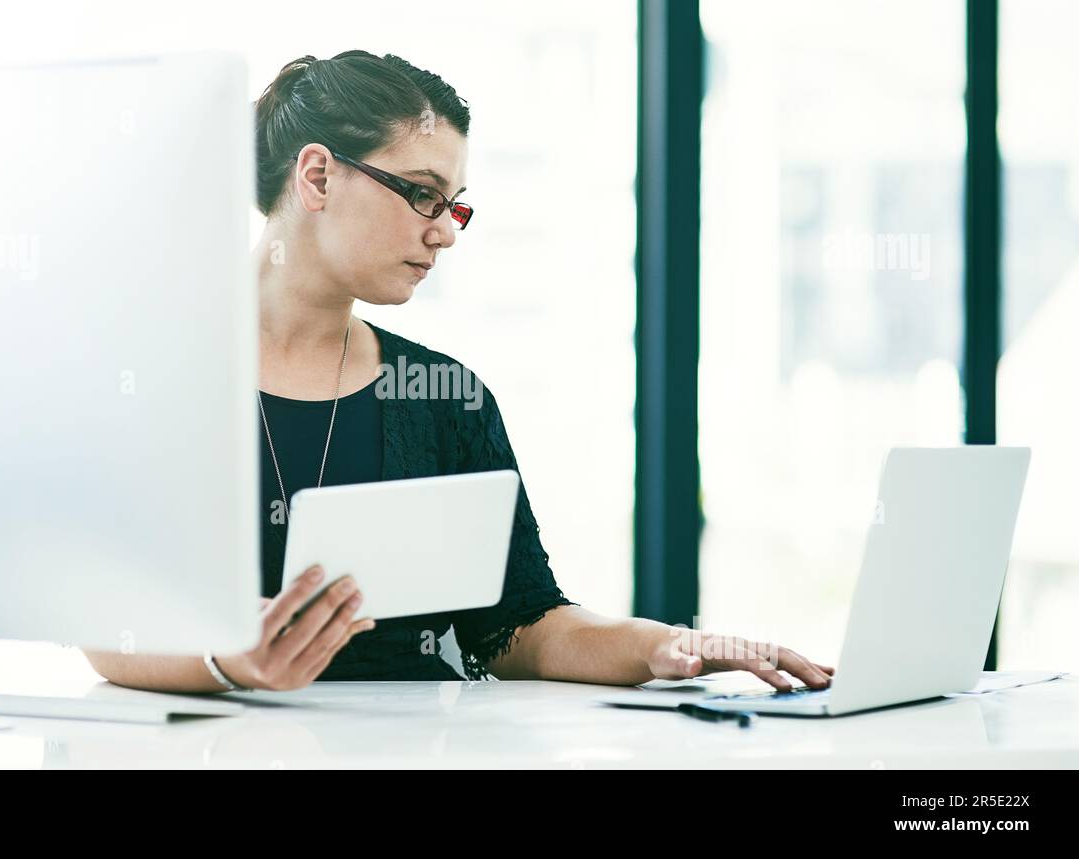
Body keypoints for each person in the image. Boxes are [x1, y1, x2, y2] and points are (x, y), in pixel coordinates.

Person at [84, 50, 834, 694]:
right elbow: (100, 618)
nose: (443, 232)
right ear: (317, 176)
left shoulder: (445, 396)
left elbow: (523, 626)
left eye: (454, 207)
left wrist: (666, 645)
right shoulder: (150, 376)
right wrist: (229, 658)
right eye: (421, 194)